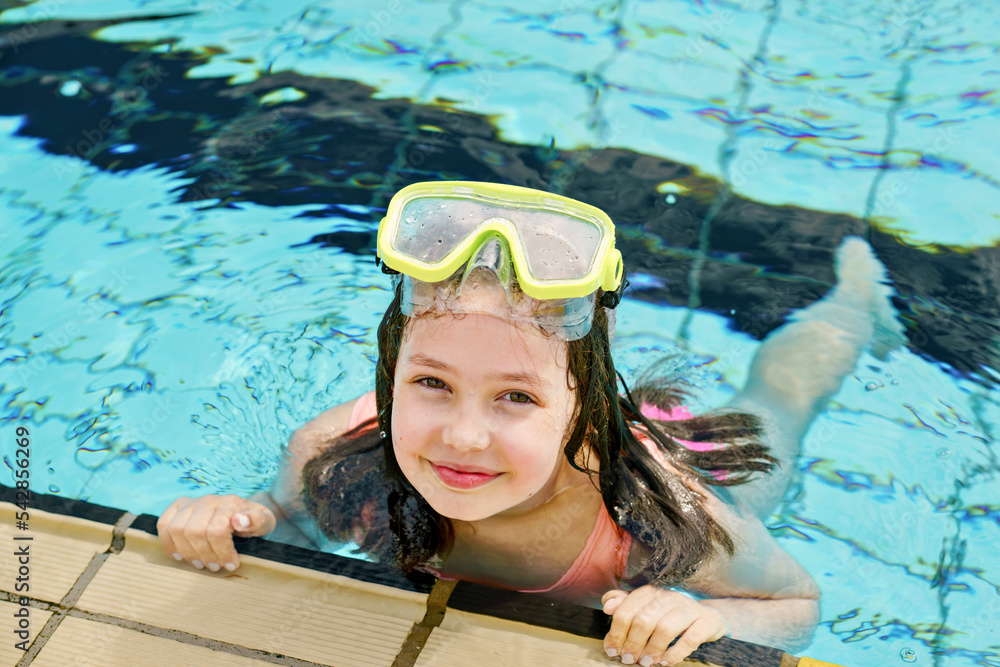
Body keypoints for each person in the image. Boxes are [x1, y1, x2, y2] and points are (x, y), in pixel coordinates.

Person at [158, 181, 903, 666]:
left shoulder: (661, 511)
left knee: (776, 405)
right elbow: (290, 529)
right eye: (431, 383)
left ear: (583, 408)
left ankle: (851, 303)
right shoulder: (335, 453)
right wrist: (241, 521)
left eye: (515, 396)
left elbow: (795, 604)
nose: (464, 435)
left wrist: (698, 613)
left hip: (676, 454)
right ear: (389, 380)